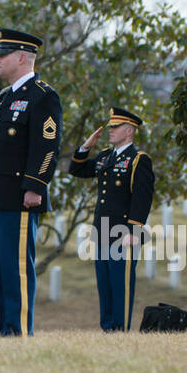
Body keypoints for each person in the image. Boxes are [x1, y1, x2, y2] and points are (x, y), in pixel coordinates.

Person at [0, 28, 62, 336]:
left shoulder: (42, 96)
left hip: (20, 195)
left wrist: (36, 186)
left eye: (2, 55)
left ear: (21, 57)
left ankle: (17, 329)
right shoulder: (7, 96)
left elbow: (48, 146)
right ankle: (4, 327)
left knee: (15, 267)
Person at [68, 107, 154, 332]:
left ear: (129, 131)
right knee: (104, 285)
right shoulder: (106, 156)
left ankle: (121, 329)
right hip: (103, 230)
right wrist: (86, 146)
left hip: (123, 233)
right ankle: (108, 328)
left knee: (121, 285)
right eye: (110, 127)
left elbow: (142, 197)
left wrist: (134, 231)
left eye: (115, 127)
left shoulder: (137, 159)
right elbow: (76, 169)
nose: (110, 131)